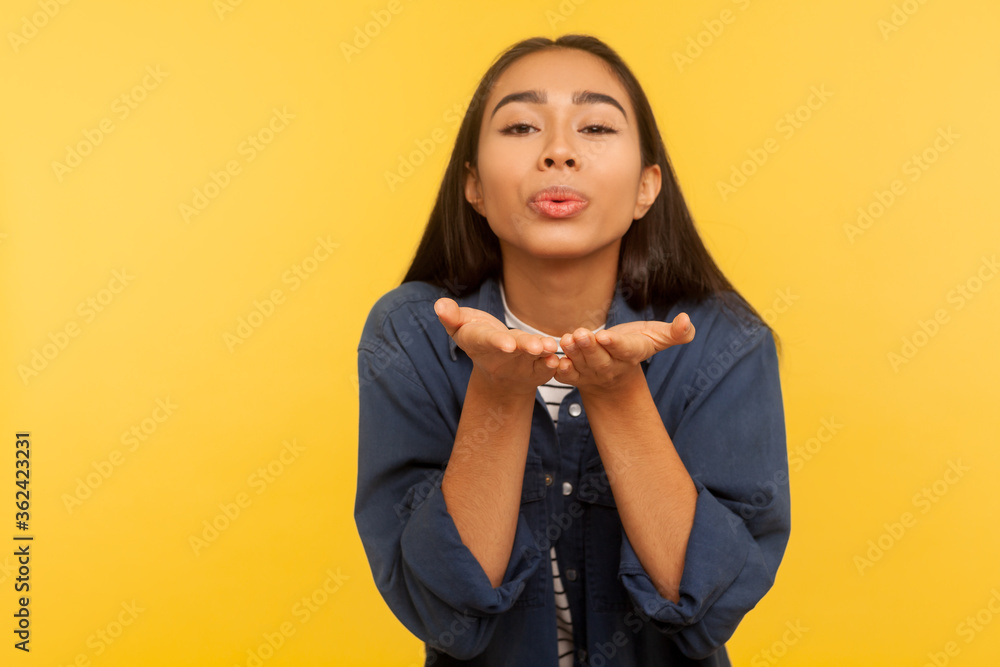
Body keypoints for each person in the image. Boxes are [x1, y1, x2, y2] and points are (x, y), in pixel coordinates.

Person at [355, 33, 790, 666]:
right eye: (522, 126)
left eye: (595, 127)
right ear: (473, 185)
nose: (558, 152)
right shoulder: (410, 333)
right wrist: (499, 390)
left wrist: (616, 392)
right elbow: (448, 614)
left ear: (646, 188)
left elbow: (703, 610)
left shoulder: (724, 340)